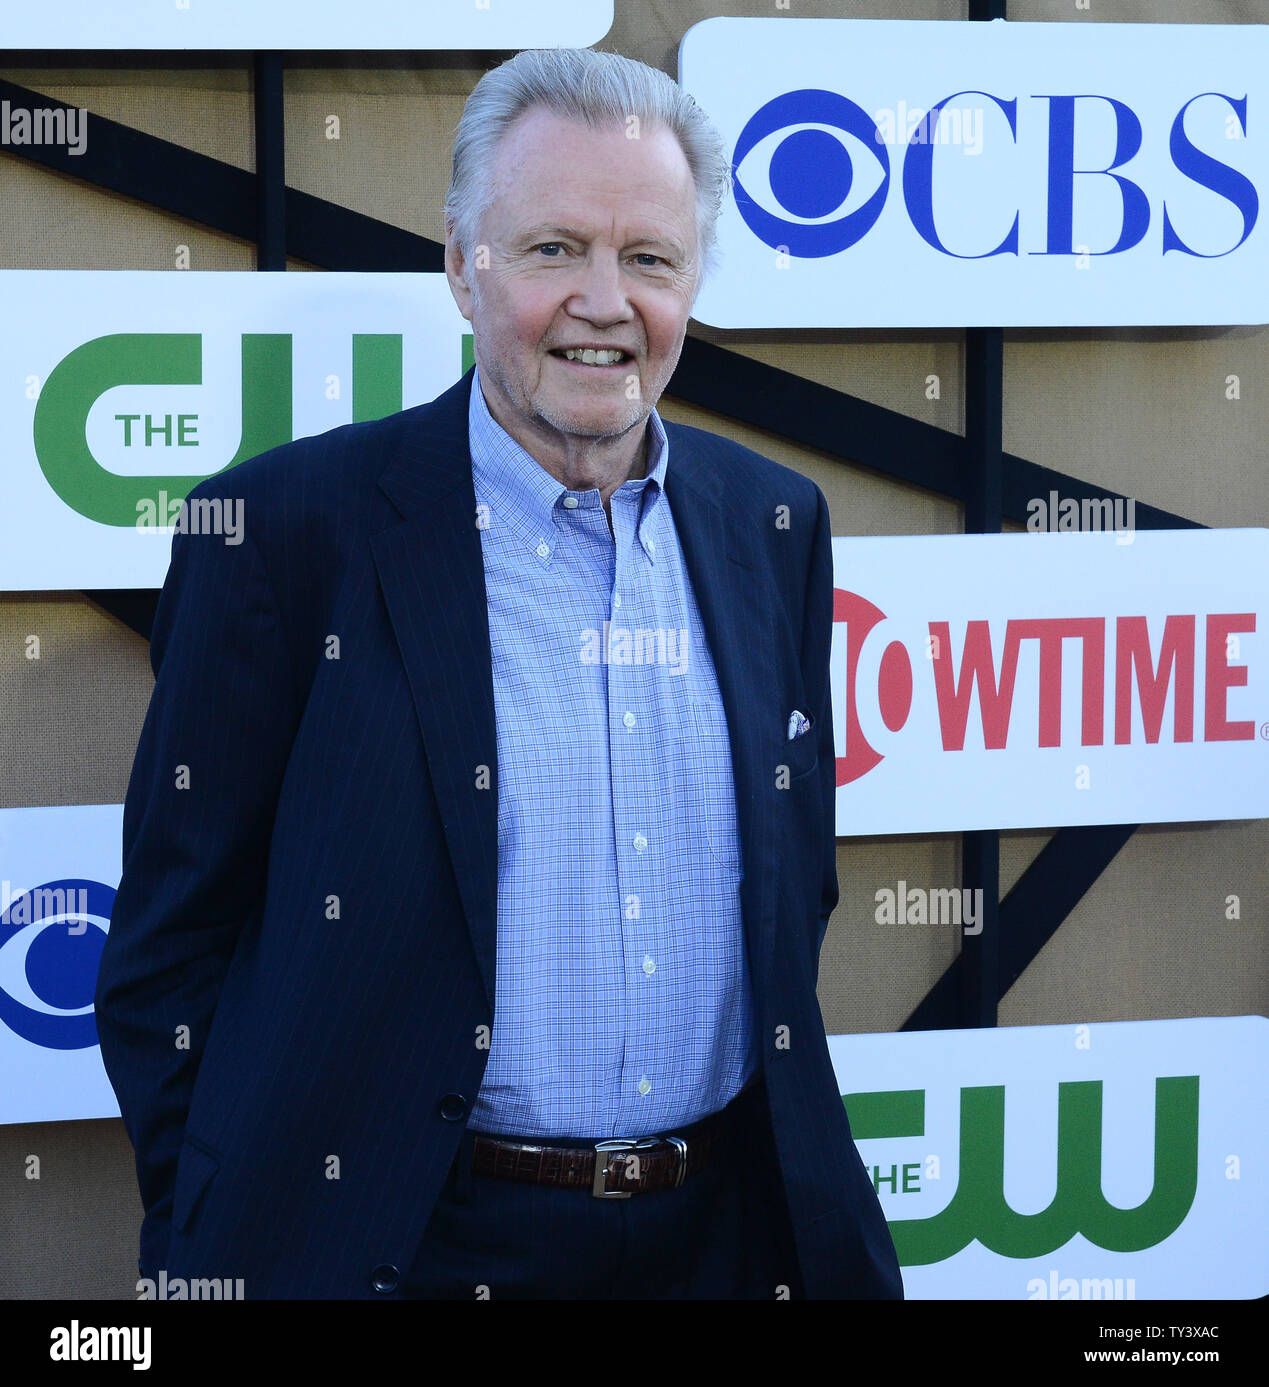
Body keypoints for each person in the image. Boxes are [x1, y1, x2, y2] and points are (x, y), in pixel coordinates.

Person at [94, 45, 902, 1300]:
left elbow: (795, 889)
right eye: (551, 249)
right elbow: (167, 953)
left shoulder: (771, 524)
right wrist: (234, 1210)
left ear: (692, 284)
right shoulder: (285, 533)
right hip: (406, 1245)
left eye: (649, 259)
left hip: (730, 1241)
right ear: (462, 271)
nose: (603, 300)